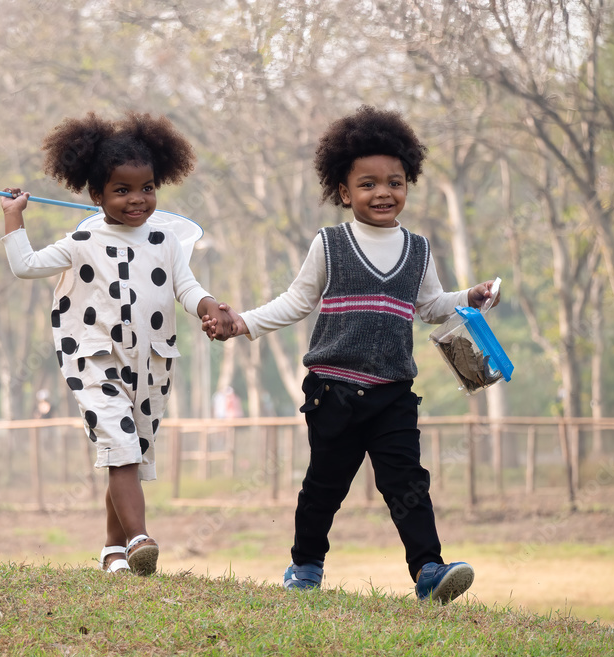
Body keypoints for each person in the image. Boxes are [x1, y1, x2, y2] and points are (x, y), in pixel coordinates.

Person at [205, 106, 499, 603]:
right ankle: (305, 566)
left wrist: (468, 297)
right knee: (325, 486)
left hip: (393, 394)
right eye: (367, 183)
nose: (383, 192)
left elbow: (429, 306)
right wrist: (242, 324)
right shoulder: (330, 244)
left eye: (395, 181)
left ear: (408, 185)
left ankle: (429, 569)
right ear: (344, 192)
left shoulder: (419, 249)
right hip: (333, 392)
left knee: (408, 484)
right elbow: (297, 302)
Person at [0, 111, 232, 576]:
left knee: (128, 451)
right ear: (96, 195)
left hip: (151, 365)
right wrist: (13, 217)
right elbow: (24, 265)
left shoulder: (166, 239)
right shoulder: (82, 239)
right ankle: (140, 539)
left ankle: (112, 549)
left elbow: (186, 287)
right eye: (121, 190)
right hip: (95, 361)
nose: (137, 200)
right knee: (121, 444)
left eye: (146, 188)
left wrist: (209, 307)